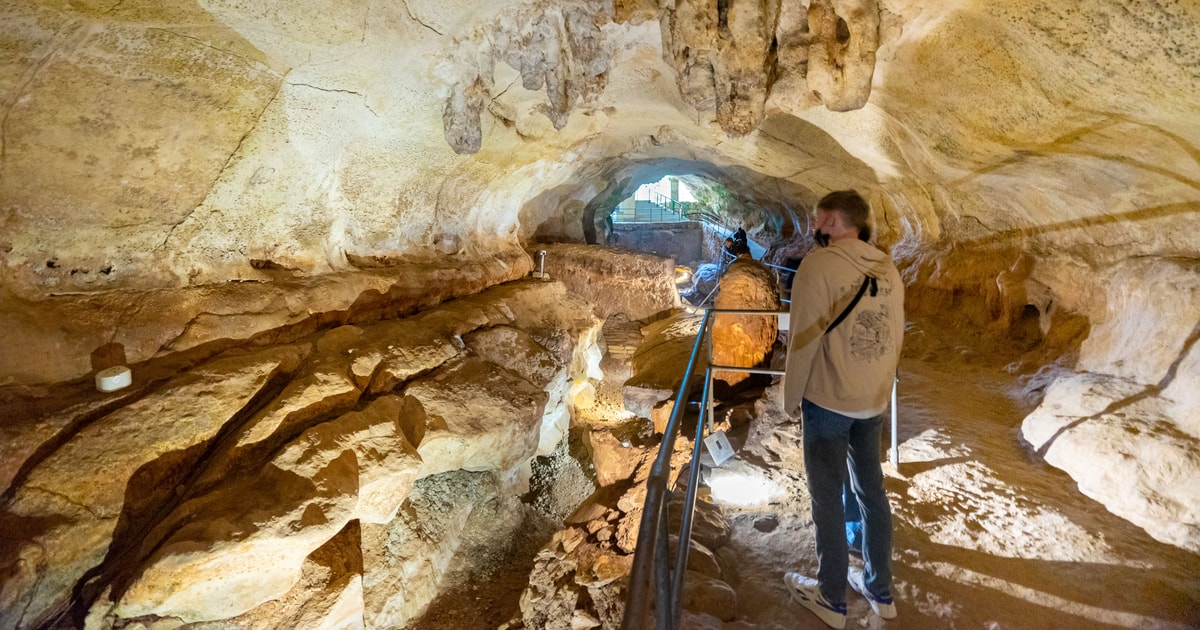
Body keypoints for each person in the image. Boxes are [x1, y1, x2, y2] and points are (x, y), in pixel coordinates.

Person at [781, 190, 905, 629]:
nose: (815, 228)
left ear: (832, 221)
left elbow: (803, 339)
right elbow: (895, 336)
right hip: (871, 401)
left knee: (827, 499)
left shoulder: (819, 266)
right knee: (872, 493)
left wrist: (790, 397)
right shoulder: (887, 266)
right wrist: (882, 390)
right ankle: (880, 589)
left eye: (819, 220)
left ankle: (831, 598)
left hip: (829, 400)